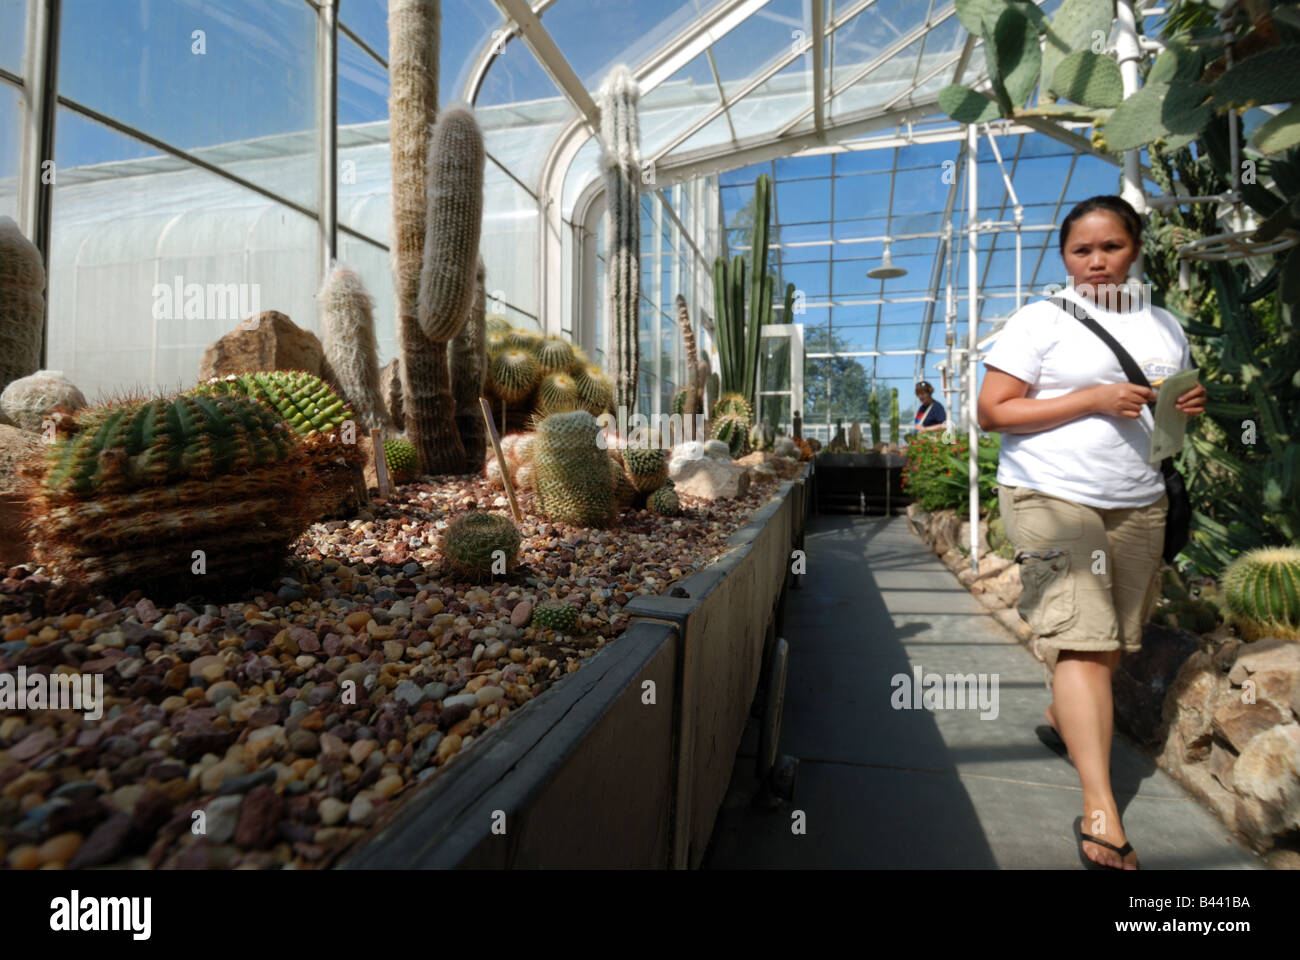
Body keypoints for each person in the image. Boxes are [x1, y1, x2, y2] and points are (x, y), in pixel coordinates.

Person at [976, 194, 1206, 871]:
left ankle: (1063, 712)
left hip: (1136, 500)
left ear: (1135, 249)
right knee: (1082, 640)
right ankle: (1102, 810)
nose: (1098, 261)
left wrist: (1186, 407)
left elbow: (1164, 421)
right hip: (1049, 494)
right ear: (1066, 257)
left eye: (1111, 247)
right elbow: (993, 411)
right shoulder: (1039, 320)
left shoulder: (1164, 325)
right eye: (1083, 250)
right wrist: (1093, 398)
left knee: (1112, 647)